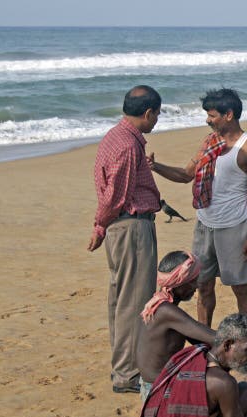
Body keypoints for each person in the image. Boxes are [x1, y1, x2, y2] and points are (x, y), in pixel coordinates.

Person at [149, 88, 247, 326]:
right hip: (204, 225)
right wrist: (155, 166)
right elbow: (185, 175)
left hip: (235, 226)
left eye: (212, 116)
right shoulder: (209, 143)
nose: (208, 120)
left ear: (229, 115)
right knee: (203, 285)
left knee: (239, 288)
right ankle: (204, 340)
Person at [88, 85, 162, 394]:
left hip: (123, 227)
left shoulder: (115, 136)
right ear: (147, 113)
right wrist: (99, 226)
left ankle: (123, 368)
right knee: (135, 303)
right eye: (157, 114)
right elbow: (114, 196)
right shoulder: (128, 146)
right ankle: (127, 374)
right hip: (131, 227)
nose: (157, 119)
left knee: (121, 301)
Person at [137, 250, 247, 402]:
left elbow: (206, 339)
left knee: (217, 357)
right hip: (160, 390)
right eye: (193, 281)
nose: (196, 286)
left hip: (158, 384)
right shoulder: (166, 311)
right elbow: (216, 338)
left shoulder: (162, 306)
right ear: (180, 282)